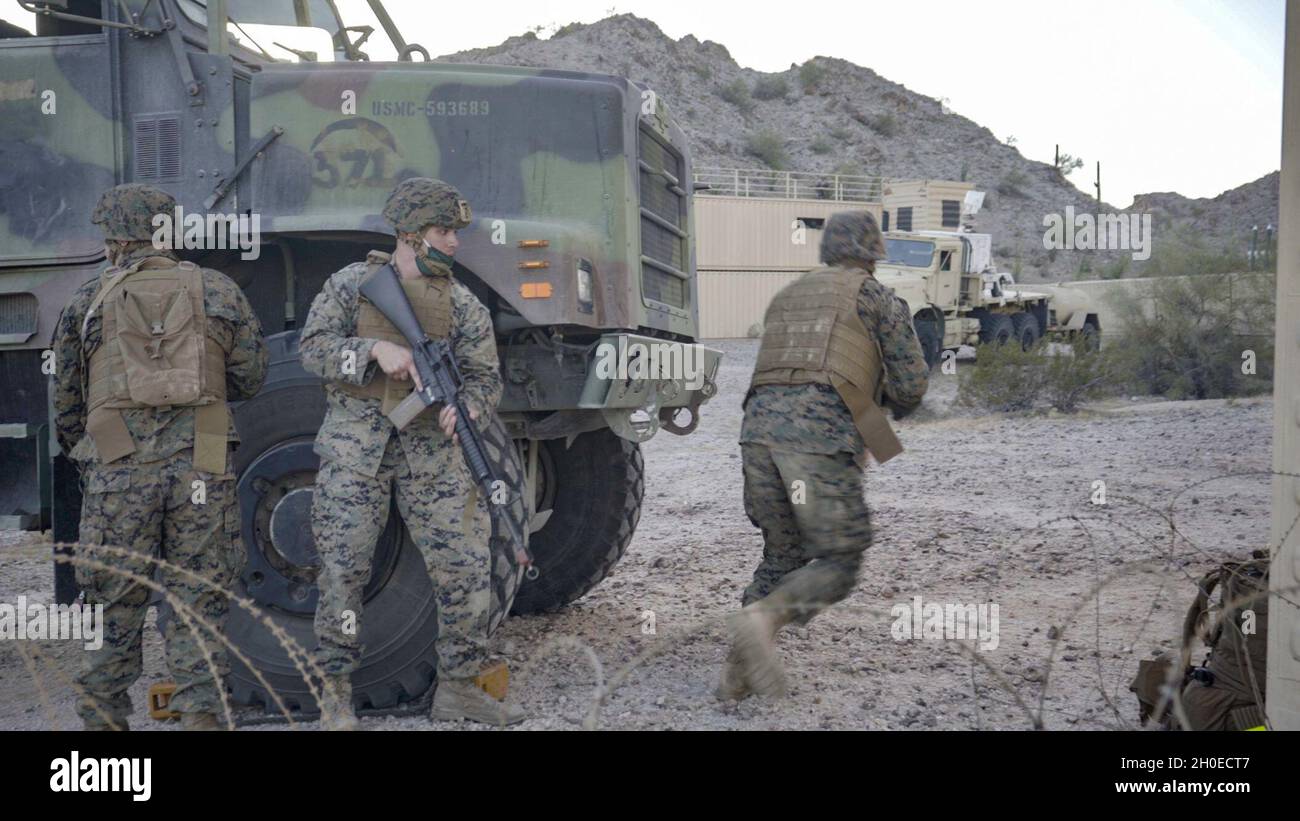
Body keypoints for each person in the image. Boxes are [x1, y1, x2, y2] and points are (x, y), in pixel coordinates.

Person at [299, 177, 525, 728]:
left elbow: (485, 380)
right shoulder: (355, 285)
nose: (454, 243)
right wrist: (372, 349)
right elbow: (312, 349)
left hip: (433, 454)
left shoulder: (463, 304)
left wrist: (467, 409)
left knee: (466, 568)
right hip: (357, 450)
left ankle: (458, 688)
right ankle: (333, 694)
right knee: (342, 569)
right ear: (410, 234)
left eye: (455, 233)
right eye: (443, 231)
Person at [51, 183, 268, 730]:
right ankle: (201, 718)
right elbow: (250, 377)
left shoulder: (87, 300)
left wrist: (99, 456)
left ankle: (102, 730)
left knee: (114, 602)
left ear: (113, 241)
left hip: (120, 466)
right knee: (199, 599)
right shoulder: (218, 290)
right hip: (204, 457)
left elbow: (67, 402)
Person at [721, 210, 929, 699]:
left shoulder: (788, 296)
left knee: (783, 553)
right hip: (818, 442)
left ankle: (737, 673)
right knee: (840, 557)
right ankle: (762, 620)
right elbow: (911, 385)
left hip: (757, 438)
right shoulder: (877, 297)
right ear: (874, 251)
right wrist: (891, 403)